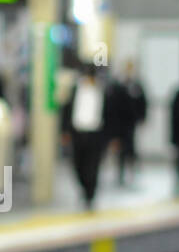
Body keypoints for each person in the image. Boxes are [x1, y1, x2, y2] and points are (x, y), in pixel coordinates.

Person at [60, 64, 109, 210]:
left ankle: (90, 194)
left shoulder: (104, 92)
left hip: (95, 135)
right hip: (78, 133)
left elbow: (110, 115)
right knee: (77, 164)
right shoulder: (75, 90)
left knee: (92, 167)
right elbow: (66, 111)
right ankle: (84, 188)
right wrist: (65, 131)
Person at [107, 60, 147, 186]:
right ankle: (120, 173)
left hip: (131, 122)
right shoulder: (117, 85)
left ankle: (131, 170)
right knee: (120, 148)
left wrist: (141, 117)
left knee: (130, 147)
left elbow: (143, 102)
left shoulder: (137, 85)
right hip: (119, 122)